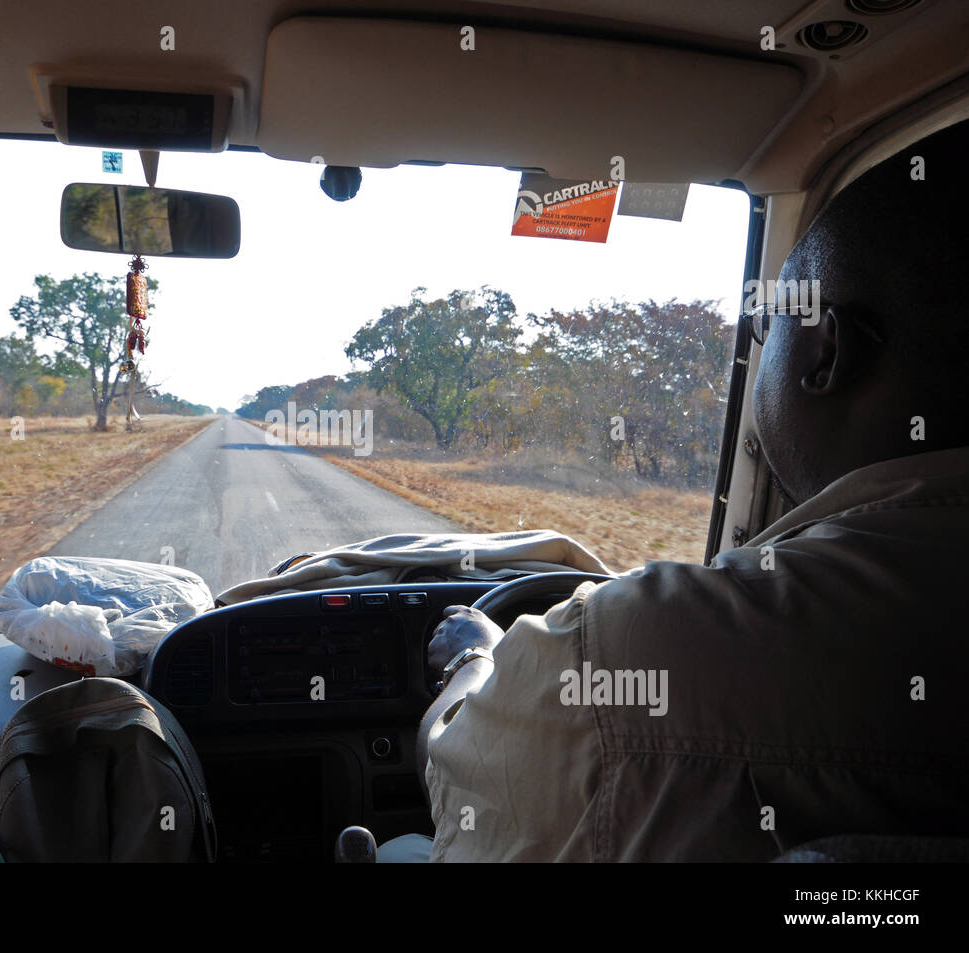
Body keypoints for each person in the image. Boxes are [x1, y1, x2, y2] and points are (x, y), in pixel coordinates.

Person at [382, 118, 969, 862]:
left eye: (765, 325)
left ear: (825, 349)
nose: (759, 346)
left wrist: (473, 660)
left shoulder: (628, 655)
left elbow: (459, 770)